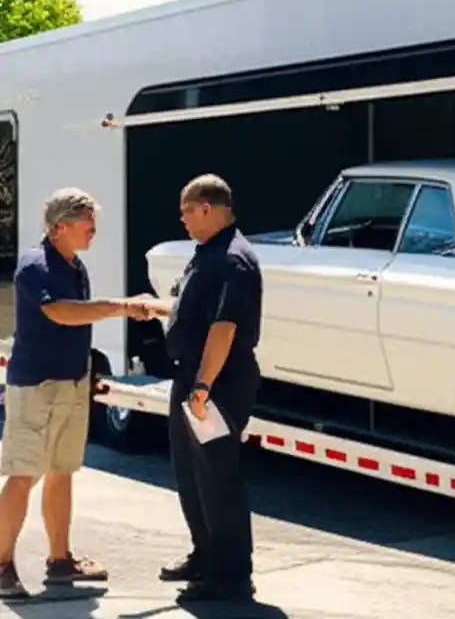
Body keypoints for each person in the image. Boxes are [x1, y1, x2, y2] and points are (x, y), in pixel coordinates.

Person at [0, 188, 152, 599]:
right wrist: (120, 306)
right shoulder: (35, 266)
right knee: (22, 475)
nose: (94, 230)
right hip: (36, 387)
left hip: (71, 383)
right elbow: (61, 312)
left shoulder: (75, 265)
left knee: (62, 471)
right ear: (60, 227)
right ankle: (0, 564)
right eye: (87, 223)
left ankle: (60, 560)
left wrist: (88, 378)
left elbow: (76, 322)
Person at [135, 174, 263, 602]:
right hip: (192, 375)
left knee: (217, 477)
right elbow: (192, 311)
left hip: (219, 381)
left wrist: (204, 387)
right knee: (190, 474)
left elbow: (224, 329)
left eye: (186, 210)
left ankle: (230, 575)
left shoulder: (233, 260)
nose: (182, 219)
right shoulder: (206, 253)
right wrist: (156, 308)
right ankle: (204, 554)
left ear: (207, 208)